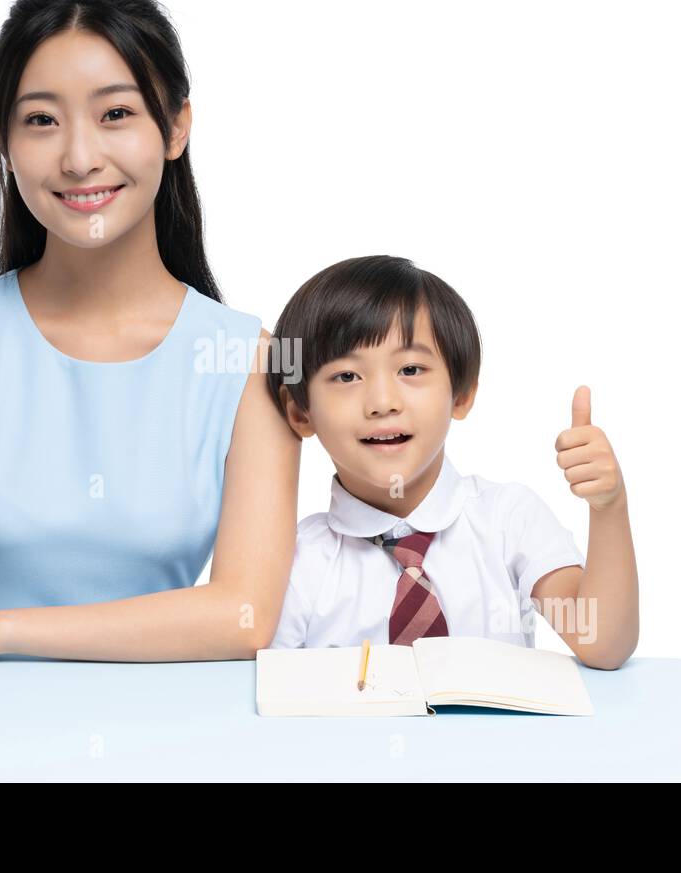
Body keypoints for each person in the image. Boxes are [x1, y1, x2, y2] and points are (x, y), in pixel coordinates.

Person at [0, 0, 299, 686]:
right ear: (4, 142)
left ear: (175, 128)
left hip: (167, 732)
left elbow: (243, 616)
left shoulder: (250, 357)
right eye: (41, 120)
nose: (78, 157)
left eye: (115, 114)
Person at [263, 255, 638, 667]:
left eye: (410, 368)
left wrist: (609, 508)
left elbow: (602, 643)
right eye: (347, 376)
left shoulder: (509, 520)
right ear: (301, 413)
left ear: (461, 394)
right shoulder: (295, 561)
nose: (382, 403)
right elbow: (270, 697)